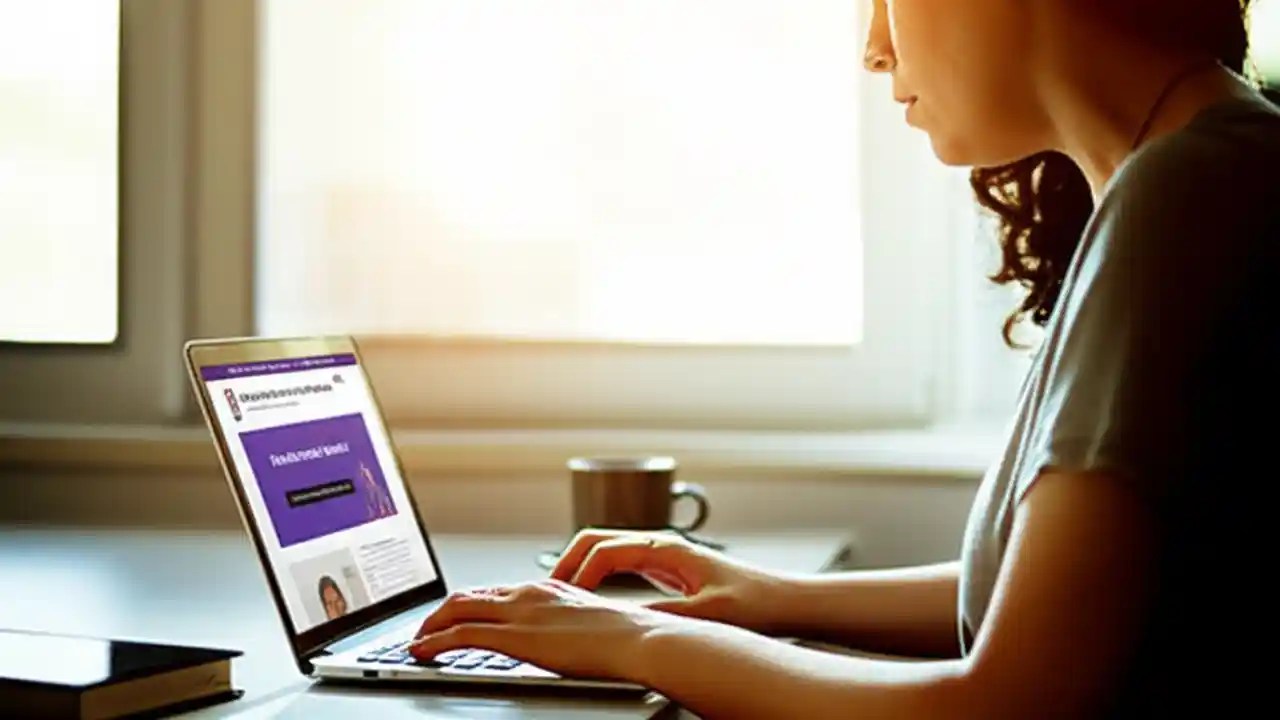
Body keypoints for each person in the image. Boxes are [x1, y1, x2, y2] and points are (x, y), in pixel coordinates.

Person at [412, 1, 1280, 716]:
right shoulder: (1206, 163)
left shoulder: (1184, 200)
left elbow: (1009, 699)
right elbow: (1071, 606)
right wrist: (773, 597)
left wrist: (636, 640)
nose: (874, 48)